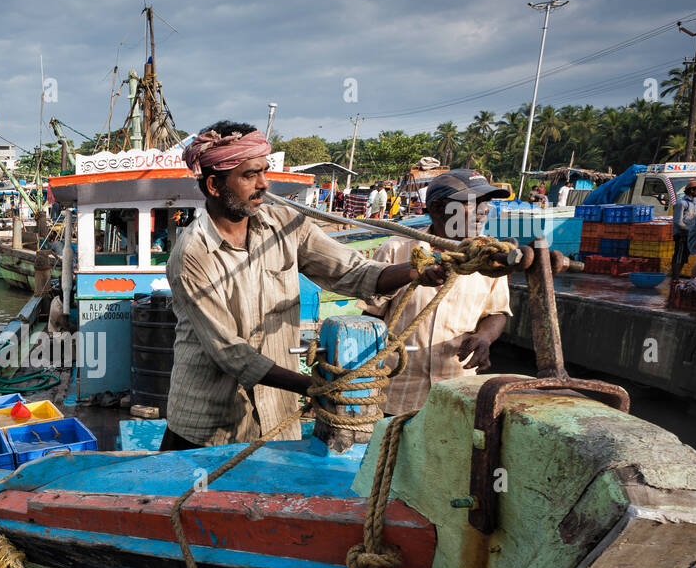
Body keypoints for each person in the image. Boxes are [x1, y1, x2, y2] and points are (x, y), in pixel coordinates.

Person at [161, 121, 448, 450]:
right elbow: (231, 353)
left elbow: (351, 271)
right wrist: (315, 385)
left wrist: (413, 272)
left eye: (264, 172)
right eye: (250, 175)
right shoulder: (192, 254)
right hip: (208, 427)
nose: (263, 184)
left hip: (277, 417)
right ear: (214, 185)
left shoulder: (285, 224)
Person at [364, 169, 512, 416]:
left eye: (485, 203)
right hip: (395, 392)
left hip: (457, 395)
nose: (483, 210)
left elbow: (497, 313)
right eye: (472, 204)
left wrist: (485, 337)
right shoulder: (396, 250)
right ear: (436, 209)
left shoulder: (491, 258)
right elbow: (371, 315)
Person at [671, 180, 696, 281]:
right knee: (679, 256)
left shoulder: (694, 202)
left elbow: (695, 219)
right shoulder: (681, 203)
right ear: (692, 190)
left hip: (689, 234)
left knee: (684, 257)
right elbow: (677, 222)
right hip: (681, 234)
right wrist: (691, 230)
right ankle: (675, 279)